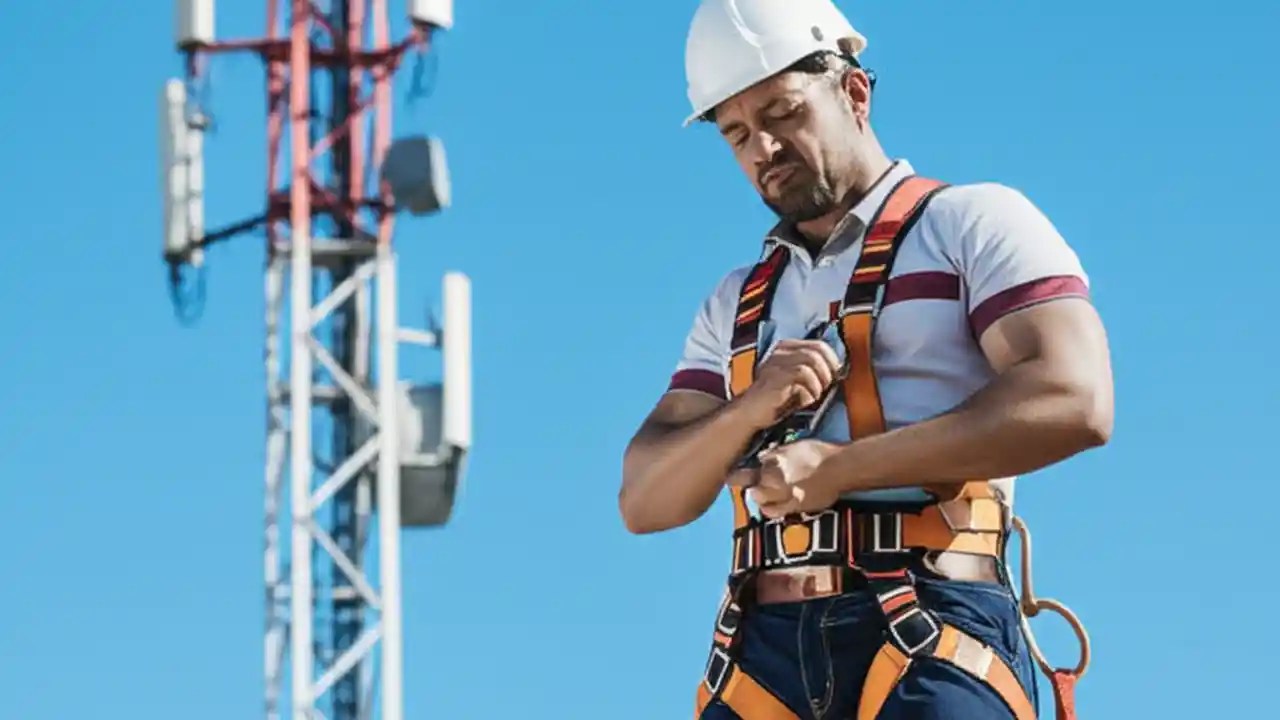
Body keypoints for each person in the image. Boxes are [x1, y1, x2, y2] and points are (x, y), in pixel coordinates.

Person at [618, 0, 1114, 718]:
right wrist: (752, 408)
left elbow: (1075, 400)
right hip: (761, 651)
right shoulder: (737, 302)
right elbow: (644, 499)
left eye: (784, 112)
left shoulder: (970, 224)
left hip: (936, 619)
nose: (764, 148)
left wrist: (842, 469)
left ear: (853, 92)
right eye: (737, 134)